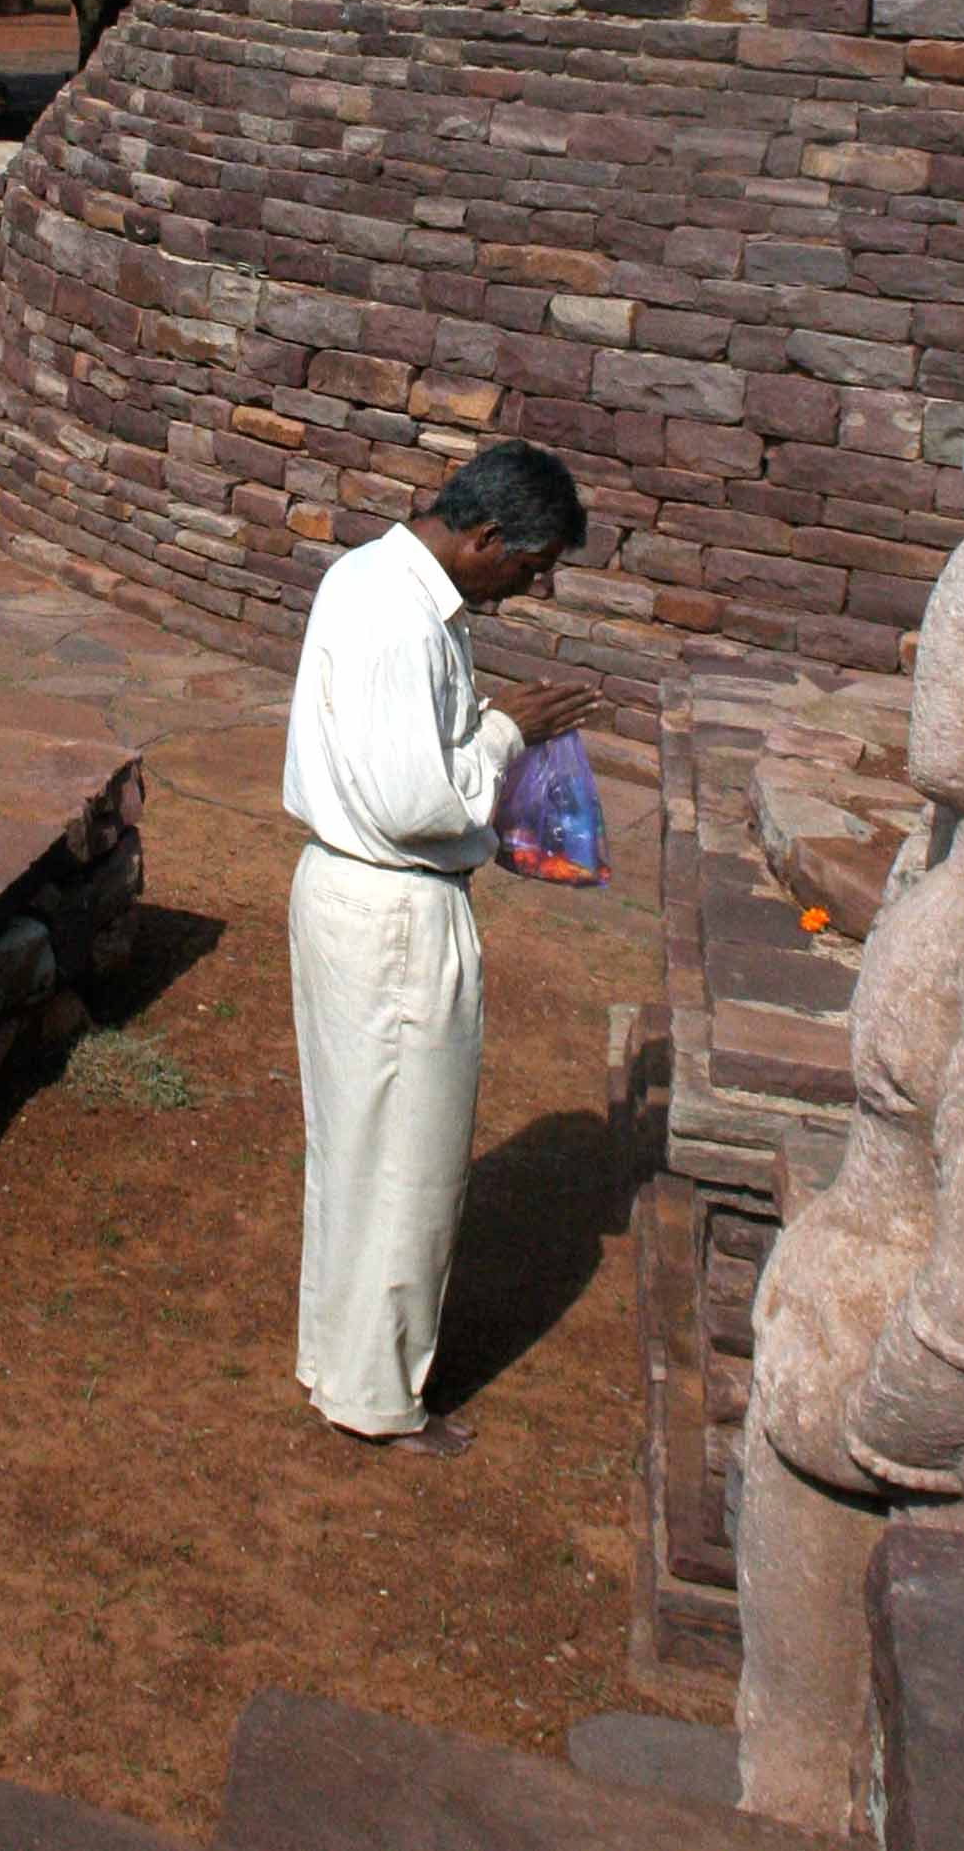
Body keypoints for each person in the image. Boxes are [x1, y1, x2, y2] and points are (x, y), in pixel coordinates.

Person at [281, 440, 592, 1457]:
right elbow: (420, 802)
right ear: (484, 536)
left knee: (357, 1142)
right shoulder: (399, 618)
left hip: (355, 897)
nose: (530, 587)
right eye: (529, 565)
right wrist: (505, 731)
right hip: (396, 913)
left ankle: (342, 1359)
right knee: (406, 1160)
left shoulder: (373, 578)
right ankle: (377, 1392)